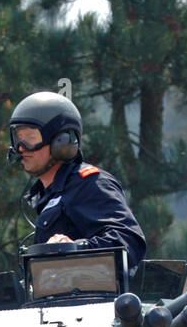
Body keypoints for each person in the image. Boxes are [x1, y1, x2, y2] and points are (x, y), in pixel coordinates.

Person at [9, 92, 146, 273]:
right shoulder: (47, 194)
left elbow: (128, 240)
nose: (20, 147)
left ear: (62, 141)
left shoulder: (89, 184)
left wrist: (74, 248)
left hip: (96, 300)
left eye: (30, 137)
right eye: (19, 138)